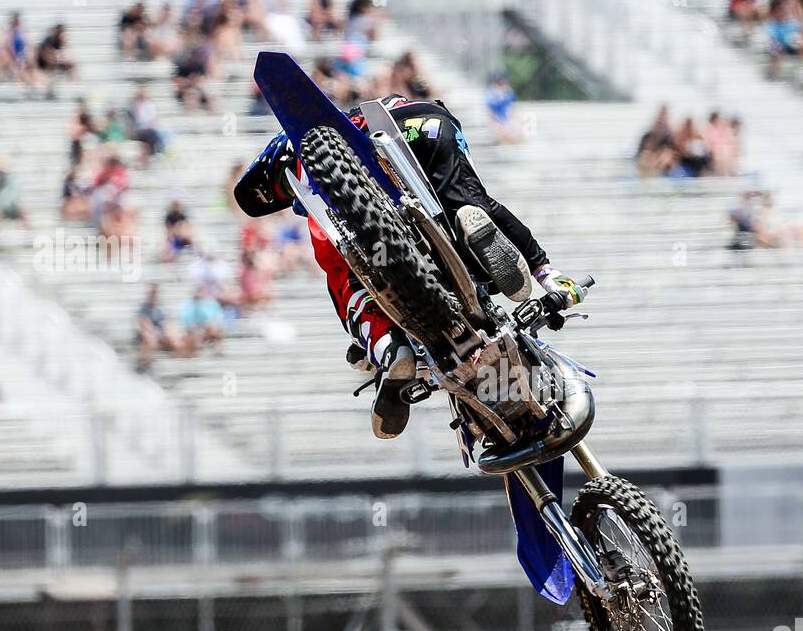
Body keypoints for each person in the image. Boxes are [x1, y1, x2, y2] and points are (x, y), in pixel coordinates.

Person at [234, 93, 583, 439]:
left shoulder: (309, 159)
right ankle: (546, 274)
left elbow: (339, 267)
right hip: (425, 124)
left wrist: (375, 352)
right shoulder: (367, 113)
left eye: (283, 192)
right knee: (472, 203)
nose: (290, 201)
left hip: (344, 159)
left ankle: (389, 348)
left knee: (344, 280)